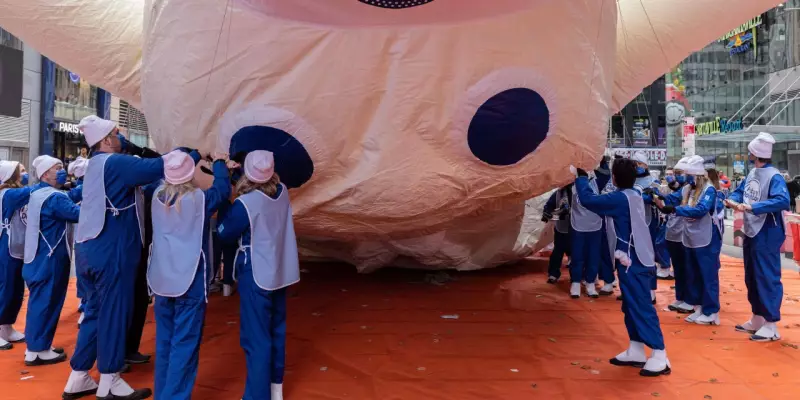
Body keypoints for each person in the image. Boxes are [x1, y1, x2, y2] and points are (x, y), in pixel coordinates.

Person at [63, 115, 166, 400]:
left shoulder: (95, 166)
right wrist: (189, 153)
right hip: (112, 250)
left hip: (88, 249)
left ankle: (78, 376)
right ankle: (110, 379)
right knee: (115, 312)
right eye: (117, 134)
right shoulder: (117, 163)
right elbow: (160, 165)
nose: (121, 138)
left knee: (94, 313)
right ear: (106, 140)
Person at [573, 158, 670, 377]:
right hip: (635, 257)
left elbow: (589, 201)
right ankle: (636, 348)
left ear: (615, 178)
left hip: (633, 260)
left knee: (640, 306)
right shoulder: (633, 193)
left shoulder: (620, 198)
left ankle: (659, 353)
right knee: (631, 304)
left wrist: (580, 178)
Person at [148, 150, 232, 399]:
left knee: (164, 343)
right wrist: (218, 163)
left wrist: (193, 156)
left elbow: (174, 171)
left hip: (161, 279)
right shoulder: (198, 200)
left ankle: (163, 393)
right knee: (184, 344)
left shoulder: (156, 195)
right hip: (189, 280)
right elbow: (222, 190)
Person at [217, 151, 300, 400]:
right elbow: (262, 191)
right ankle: (276, 390)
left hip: (256, 273)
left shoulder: (245, 204)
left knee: (256, 338)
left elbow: (224, 232)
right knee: (277, 330)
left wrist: (225, 193)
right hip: (280, 271)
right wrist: (239, 176)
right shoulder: (282, 192)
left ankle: (256, 396)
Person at [725, 132, 790, 342]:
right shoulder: (752, 172)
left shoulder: (775, 176)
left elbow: (782, 200)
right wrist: (733, 201)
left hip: (768, 231)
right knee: (751, 275)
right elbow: (739, 192)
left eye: (749, 151)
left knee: (767, 276)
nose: (747, 154)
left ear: (755, 153)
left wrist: (753, 207)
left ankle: (771, 324)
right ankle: (757, 317)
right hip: (752, 228)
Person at [22, 156, 81, 366]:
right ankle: (38, 349)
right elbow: (77, 213)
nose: (62, 171)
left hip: (36, 257)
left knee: (39, 303)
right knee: (47, 303)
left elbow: (68, 197)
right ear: (46, 174)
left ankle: (35, 346)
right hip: (50, 258)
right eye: (58, 168)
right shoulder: (55, 198)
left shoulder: (38, 193)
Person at [658, 157, 723, 325]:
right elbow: (673, 199)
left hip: (706, 238)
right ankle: (699, 307)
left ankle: (711, 311)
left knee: (707, 275)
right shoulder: (687, 188)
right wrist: (656, 194)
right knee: (693, 273)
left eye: (687, 174)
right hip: (690, 237)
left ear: (696, 175)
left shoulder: (709, 190)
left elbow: (701, 210)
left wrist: (676, 209)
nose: (684, 178)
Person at [0, 161, 33, 350]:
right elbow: (33, 191)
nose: (25, 173)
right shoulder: (9, 194)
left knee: (16, 288)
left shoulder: (13, 194)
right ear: (11, 176)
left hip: (17, 245)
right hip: (6, 244)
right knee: (6, 287)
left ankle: (6, 325)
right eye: (21, 171)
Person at [663, 157, 695, 314]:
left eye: (680, 173)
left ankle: (690, 299)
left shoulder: (694, 189)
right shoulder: (680, 189)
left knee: (687, 268)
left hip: (686, 234)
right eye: (675, 173)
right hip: (673, 232)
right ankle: (681, 297)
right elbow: (669, 200)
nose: (677, 176)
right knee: (678, 268)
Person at [567, 164, 604, 299]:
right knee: (577, 255)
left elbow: (605, 172)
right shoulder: (572, 182)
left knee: (593, 256)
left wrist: (601, 161)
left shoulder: (597, 181)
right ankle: (575, 282)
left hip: (595, 224)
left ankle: (590, 283)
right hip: (578, 224)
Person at [631, 151, 659, 304]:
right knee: (632, 257)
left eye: (638, 164)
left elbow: (655, 198)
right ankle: (634, 289)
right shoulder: (629, 179)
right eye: (634, 164)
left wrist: (643, 196)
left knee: (648, 257)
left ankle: (650, 291)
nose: (636, 167)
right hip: (631, 223)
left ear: (645, 165)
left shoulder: (653, 180)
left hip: (648, 223)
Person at [542, 184, 572, 284]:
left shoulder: (581, 191)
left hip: (577, 228)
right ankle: (553, 274)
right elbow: (549, 206)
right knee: (558, 251)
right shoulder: (558, 193)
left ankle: (578, 276)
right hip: (562, 227)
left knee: (577, 253)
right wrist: (547, 212)